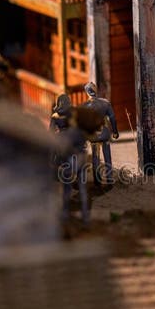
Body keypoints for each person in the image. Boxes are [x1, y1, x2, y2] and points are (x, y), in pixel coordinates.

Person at [49, 94, 89, 225]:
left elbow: (50, 132)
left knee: (66, 185)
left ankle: (65, 212)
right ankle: (85, 214)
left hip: (63, 143)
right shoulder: (75, 113)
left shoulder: (55, 115)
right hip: (79, 154)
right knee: (82, 187)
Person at [82, 81, 119, 186]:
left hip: (93, 135)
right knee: (107, 156)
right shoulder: (105, 103)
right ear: (95, 90)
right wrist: (115, 132)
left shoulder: (85, 106)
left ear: (87, 92)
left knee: (95, 156)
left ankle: (97, 180)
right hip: (104, 133)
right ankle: (109, 178)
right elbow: (112, 118)